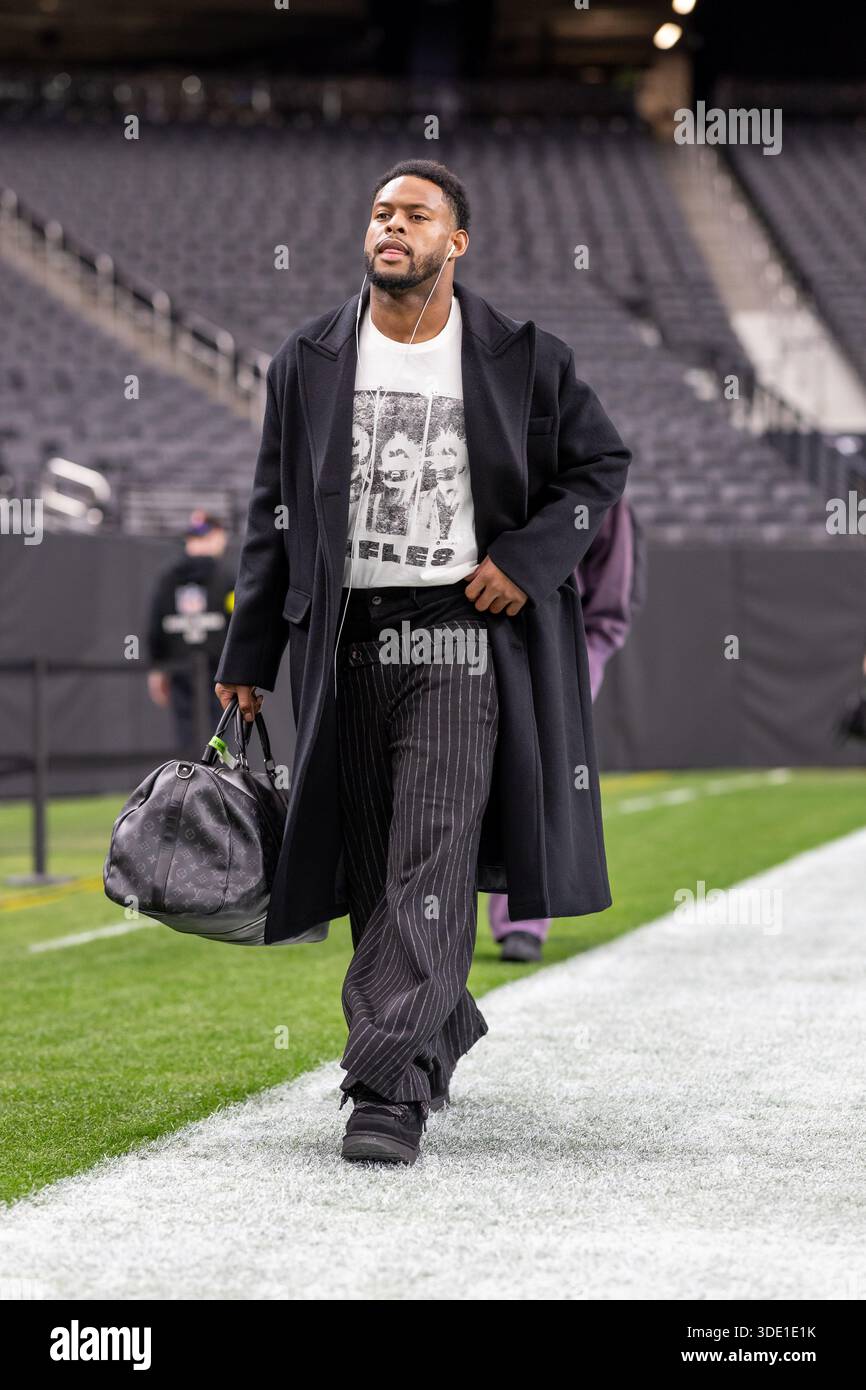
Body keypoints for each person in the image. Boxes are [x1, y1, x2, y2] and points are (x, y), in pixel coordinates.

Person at [213, 159, 631, 1166]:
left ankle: (383, 1083)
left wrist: (523, 563)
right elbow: (271, 511)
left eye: (414, 214)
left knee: (430, 850)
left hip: (458, 634)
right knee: (368, 864)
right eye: (378, 213)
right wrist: (249, 645)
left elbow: (597, 469)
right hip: (343, 636)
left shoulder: (524, 358)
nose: (389, 226)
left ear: (457, 241)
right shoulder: (307, 355)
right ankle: (437, 1027)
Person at [490, 496, 639, 962]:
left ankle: (523, 920)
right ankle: (429, 919)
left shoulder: (600, 489)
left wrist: (579, 667)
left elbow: (610, 607)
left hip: (554, 655)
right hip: (467, 640)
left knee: (538, 776)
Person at [146, 510, 234, 756]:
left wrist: (158, 668)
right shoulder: (227, 578)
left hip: (180, 670)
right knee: (221, 732)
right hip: (220, 672)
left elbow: (156, 626)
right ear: (217, 536)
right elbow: (237, 622)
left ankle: (189, 786)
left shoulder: (167, 579)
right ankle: (217, 787)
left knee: (187, 736)